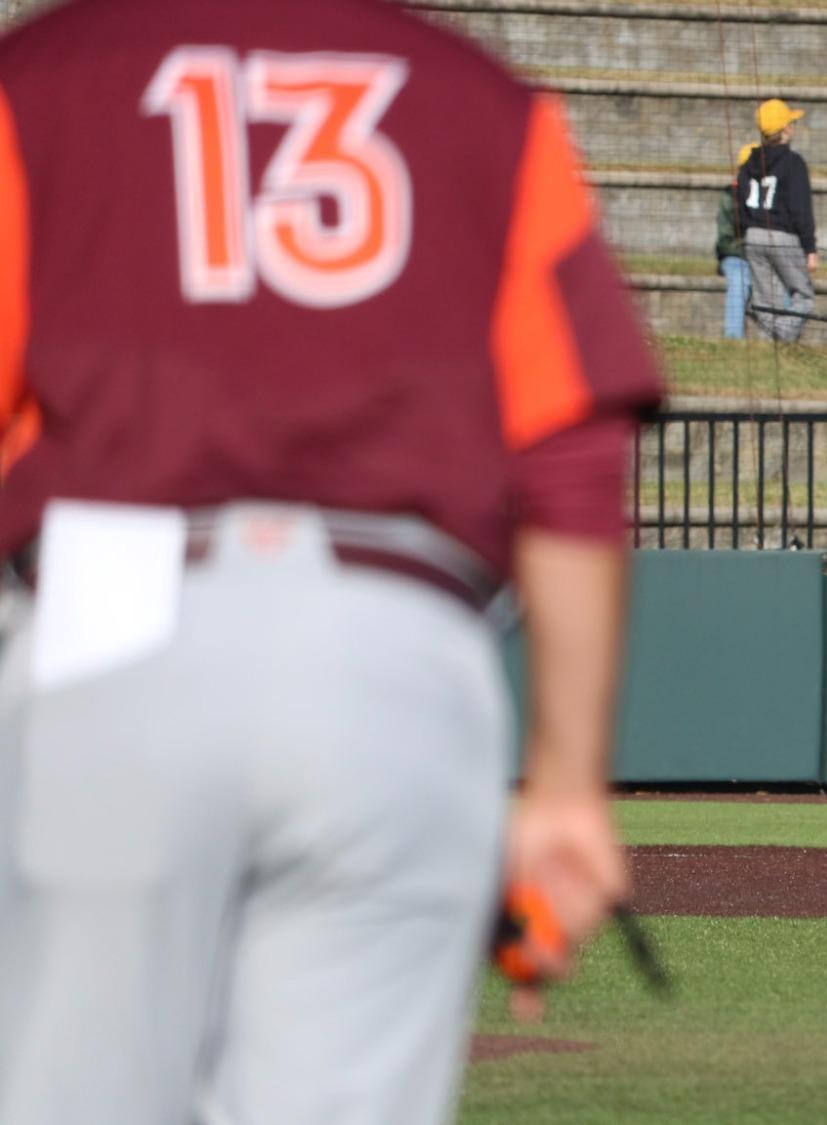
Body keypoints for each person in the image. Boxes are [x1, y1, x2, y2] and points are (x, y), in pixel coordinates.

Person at [0, 2, 664, 1122]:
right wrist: (563, 787)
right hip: (394, 646)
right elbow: (569, 451)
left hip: (108, 624)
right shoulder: (475, 96)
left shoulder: (41, 74)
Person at [740, 97, 816, 342]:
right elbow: (800, 208)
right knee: (804, 296)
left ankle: (767, 346)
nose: (793, 127)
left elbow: (739, 200)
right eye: (791, 122)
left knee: (766, 300)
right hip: (782, 236)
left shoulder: (748, 162)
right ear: (785, 129)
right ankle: (782, 336)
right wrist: (810, 248)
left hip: (753, 235)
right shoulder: (793, 163)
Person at [717, 142, 755, 339]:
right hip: (736, 256)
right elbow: (725, 241)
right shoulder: (729, 196)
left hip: (760, 257)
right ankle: (733, 337)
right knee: (740, 279)